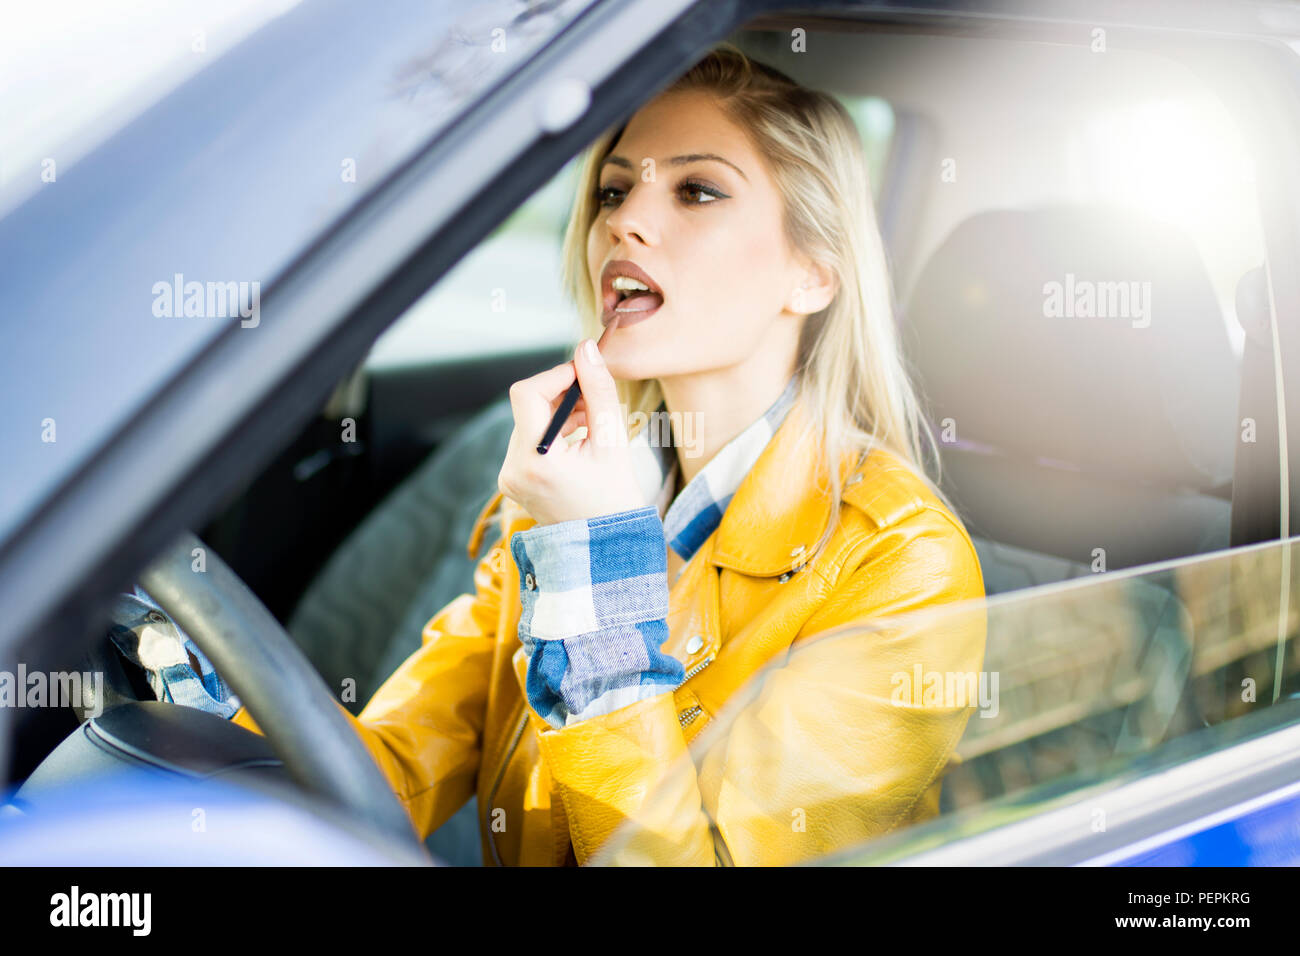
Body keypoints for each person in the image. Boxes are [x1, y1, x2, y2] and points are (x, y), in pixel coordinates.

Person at [137, 45, 987, 865]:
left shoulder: (900, 565)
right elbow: (390, 768)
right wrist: (197, 708)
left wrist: (594, 570)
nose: (626, 219)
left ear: (812, 274)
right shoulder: (570, 489)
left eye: (696, 190)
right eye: (615, 190)